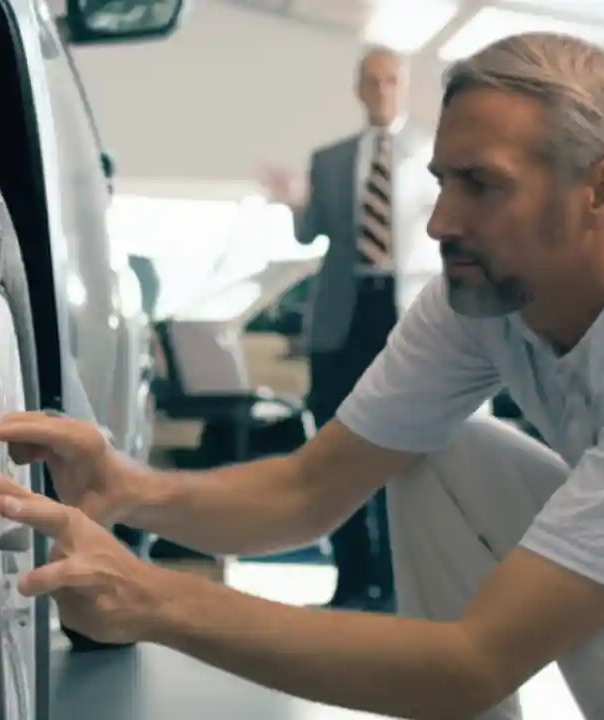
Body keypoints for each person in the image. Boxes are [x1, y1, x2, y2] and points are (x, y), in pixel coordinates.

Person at [0, 32, 604, 720]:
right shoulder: (484, 292)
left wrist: (152, 601)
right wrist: (130, 488)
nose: (440, 222)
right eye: (444, 181)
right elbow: (308, 490)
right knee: (441, 455)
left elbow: (473, 661)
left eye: (482, 185)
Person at [261, 44, 427, 611]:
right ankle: (354, 582)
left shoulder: (436, 155)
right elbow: (312, 236)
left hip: (408, 315)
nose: (383, 91)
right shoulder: (330, 159)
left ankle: (404, 584)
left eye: (392, 81)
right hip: (342, 317)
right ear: (358, 88)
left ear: (405, 86)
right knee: (338, 449)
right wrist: (293, 204)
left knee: (409, 453)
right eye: (373, 82)